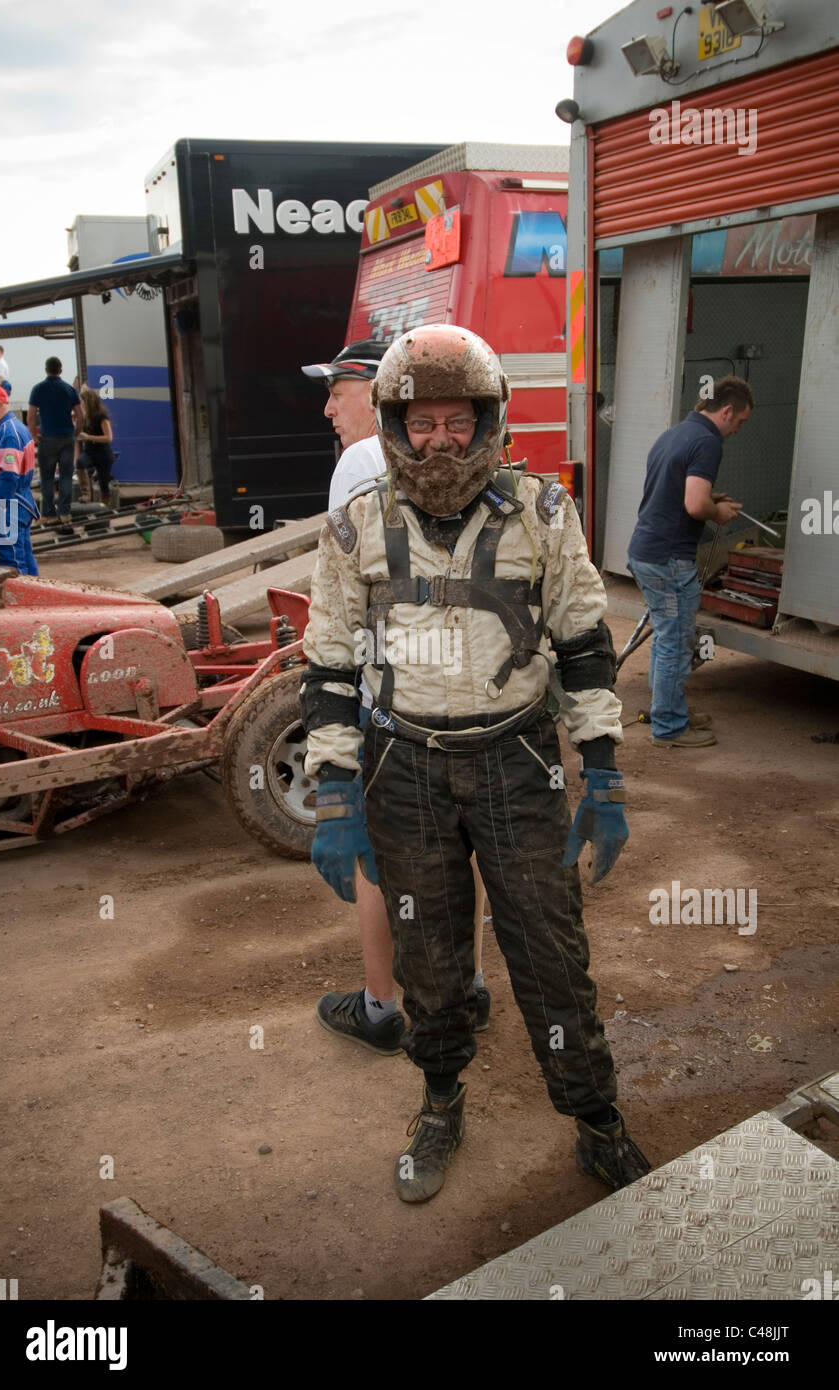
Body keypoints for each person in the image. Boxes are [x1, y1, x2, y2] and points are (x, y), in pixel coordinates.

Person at [300, 324, 649, 1203]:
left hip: (518, 763)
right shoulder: (355, 527)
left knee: (549, 950)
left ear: (488, 418)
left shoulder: (542, 512)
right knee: (429, 956)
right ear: (395, 423)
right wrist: (337, 795)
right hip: (404, 769)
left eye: (458, 420)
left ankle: (597, 1120)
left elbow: (579, 643)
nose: (440, 438)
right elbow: (331, 665)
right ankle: (440, 1101)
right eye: (421, 422)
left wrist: (601, 771)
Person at [300, 341, 492, 1053]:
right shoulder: (470, 457)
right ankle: (468, 986)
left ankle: (383, 1006)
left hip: (388, 694)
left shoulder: (358, 463)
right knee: (464, 846)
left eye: (337, 390)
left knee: (379, 857)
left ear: (379, 391)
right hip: (463, 697)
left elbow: (345, 604)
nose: (328, 407)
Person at [627, 377, 753, 749]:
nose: (738, 429)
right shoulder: (709, 442)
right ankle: (669, 727)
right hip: (668, 559)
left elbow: (678, 491)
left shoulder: (676, 434)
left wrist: (710, 497)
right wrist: (719, 511)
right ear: (726, 410)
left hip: (648, 551)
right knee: (674, 641)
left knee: (668, 637)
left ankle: (668, 710)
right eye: (740, 421)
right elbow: (695, 506)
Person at [0, 384, 39, 575]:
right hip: (7, 507)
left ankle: (22, 602)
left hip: (7, 508)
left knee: (12, 563)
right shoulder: (1, 429)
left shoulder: (9, 434)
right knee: (22, 558)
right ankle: (35, 600)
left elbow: (9, 479)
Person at [27, 357, 82, 528]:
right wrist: (77, 432)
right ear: (60, 370)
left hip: (47, 439)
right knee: (66, 476)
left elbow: (30, 416)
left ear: (46, 370)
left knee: (47, 478)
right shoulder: (69, 390)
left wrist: (32, 436)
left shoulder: (38, 389)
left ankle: (48, 514)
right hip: (67, 438)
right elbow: (81, 415)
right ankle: (64, 513)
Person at [75, 387, 114, 505]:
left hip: (103, 453)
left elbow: (109, 437)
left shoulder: (101, 416)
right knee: (80, 462)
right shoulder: (84, 417)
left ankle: (105, 504)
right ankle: (86, 494)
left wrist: (89, 437)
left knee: (103, 483)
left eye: (82, 402)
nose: (81, 405)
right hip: (90, 452)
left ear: (88, 402)